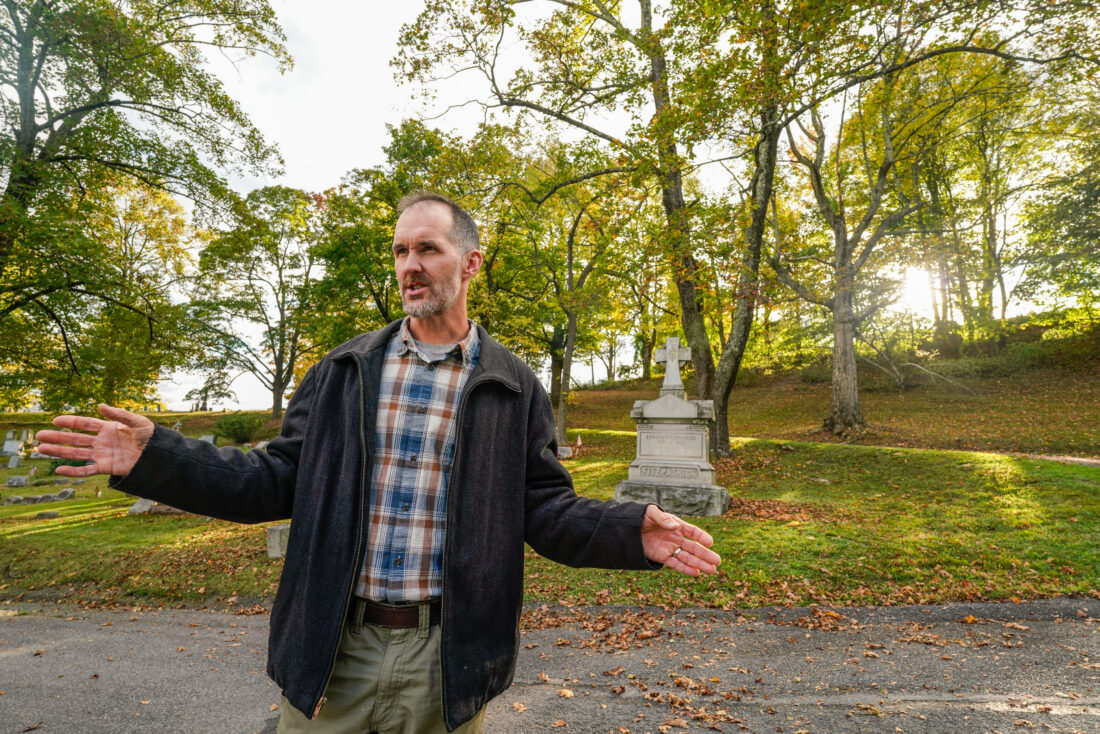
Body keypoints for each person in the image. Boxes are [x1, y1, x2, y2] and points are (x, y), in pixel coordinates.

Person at [35, 192, 722, 733]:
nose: (409, 266)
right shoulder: (343, 370)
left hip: (446, 657)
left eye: (428, 249)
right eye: (400, 251)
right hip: (333, 649)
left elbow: (544, 509)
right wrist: (157, 458)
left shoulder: (513, 386)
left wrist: (627, 530)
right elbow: (272, 481)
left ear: (471, 263)